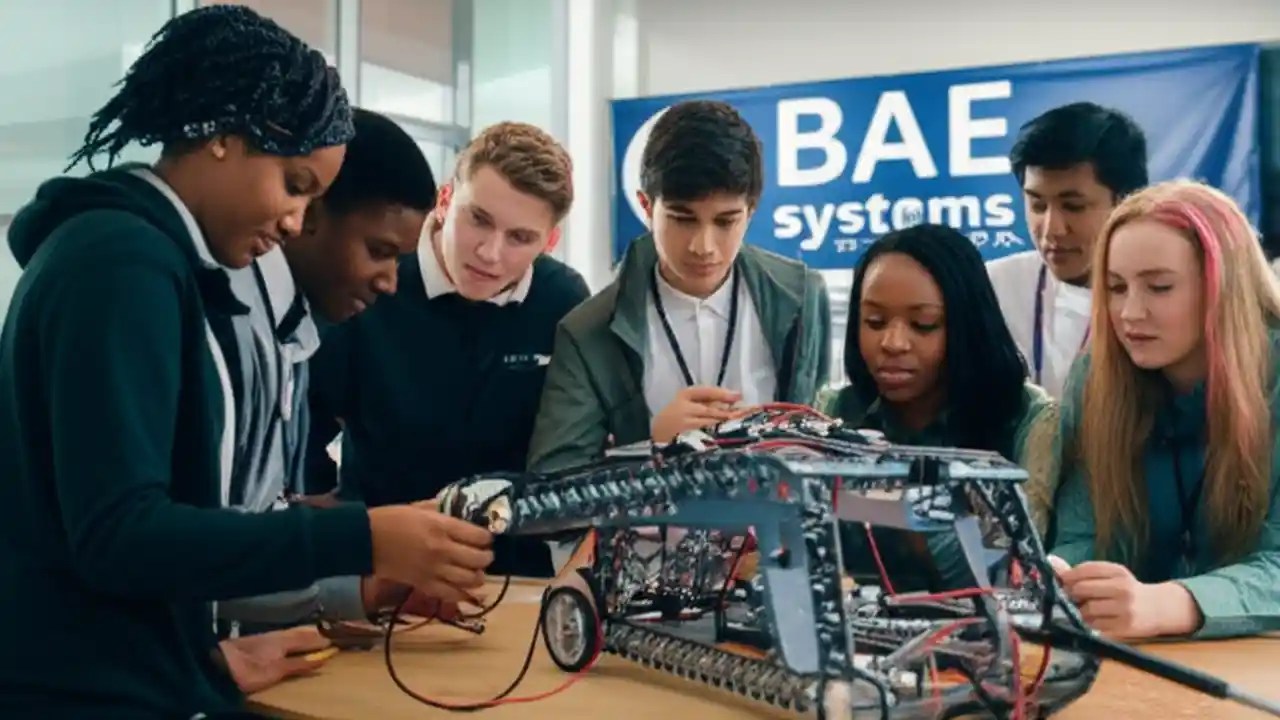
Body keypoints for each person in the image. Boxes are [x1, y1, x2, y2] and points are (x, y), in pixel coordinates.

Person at [0, 7, 492, 717]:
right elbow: (121, 533)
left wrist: (200, 664)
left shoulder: (149, 259)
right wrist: (363, 536)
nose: (296, 223)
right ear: (223, 137)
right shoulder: (121, 263)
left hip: (124, 680)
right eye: (295, 186)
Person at [305, 121, 588, 577]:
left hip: (519, 576)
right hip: (382, 573)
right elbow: (303, 432)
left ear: (549, 241)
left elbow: (578, 455)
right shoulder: (373, 277)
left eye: (520, 238)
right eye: (478, 219)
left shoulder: (565, 302)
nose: (490, 253)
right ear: (444, 200)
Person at [213, 107, 438, 630]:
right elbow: (187, 553)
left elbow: (252, 533)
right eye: (378, 252)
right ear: (309, 213)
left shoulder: (291, 327)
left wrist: (362, 588)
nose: (389, 283)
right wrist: (364, 537)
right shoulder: (231, 325)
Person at [527, 99, 831, 474]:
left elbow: (822, 442)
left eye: (725, 221)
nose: (703, 246)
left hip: (773, 529)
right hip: (646, 530)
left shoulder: (802, 297)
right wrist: (649, 446)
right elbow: (553, 478)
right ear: (645, 206)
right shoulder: (588, 331)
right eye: (682, 219)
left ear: (751, 211)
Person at [1051, 179, 1280, 641]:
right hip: (1145, 664)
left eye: (1159, 287)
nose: (1130, 313)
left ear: (1223, 288)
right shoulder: (1096, 378)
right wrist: (1057, 575)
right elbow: (1086, 534)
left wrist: (1171, 603)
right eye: (1115, 288)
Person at [816, 224, 1060, 590]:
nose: (893, 342)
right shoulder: (834, 409)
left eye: (923, 324)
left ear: (967, 326)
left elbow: (1007, 567)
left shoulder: (1030, 418)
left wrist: (864, 500)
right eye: (875, 322)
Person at [986, 102, 1148, 398]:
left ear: (1126, 202)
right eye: (1037, 205)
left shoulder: (1158, 300)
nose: (1052, 229)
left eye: (1073, 206)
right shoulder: (993, 286)